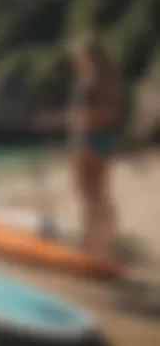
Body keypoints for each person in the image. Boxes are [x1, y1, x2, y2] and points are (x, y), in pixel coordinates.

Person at [32, 30, 122, 262]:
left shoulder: (94, 79)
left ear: (88, 55)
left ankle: (96, 247)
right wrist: (66, 119)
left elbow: (101, 114)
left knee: (89, 196)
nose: (76, 57)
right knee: (98, 196)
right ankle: (99, 244)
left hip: (90, 142)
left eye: (79, 53)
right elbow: (96, 114)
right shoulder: (101, 78)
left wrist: (61, 119)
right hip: (99, 141)